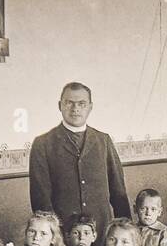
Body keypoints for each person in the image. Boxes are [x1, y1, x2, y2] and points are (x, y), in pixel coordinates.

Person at [29, 81, 130, 233]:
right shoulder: (43, 144)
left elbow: (118, 192)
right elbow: (40, 199)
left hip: (101, 231)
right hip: (64, 233)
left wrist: (127, 232)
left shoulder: (103, 140)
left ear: (90, 107)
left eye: (82, 104)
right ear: (60, 106)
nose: (75, 109)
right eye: (69, 103)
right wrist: (53, 235)